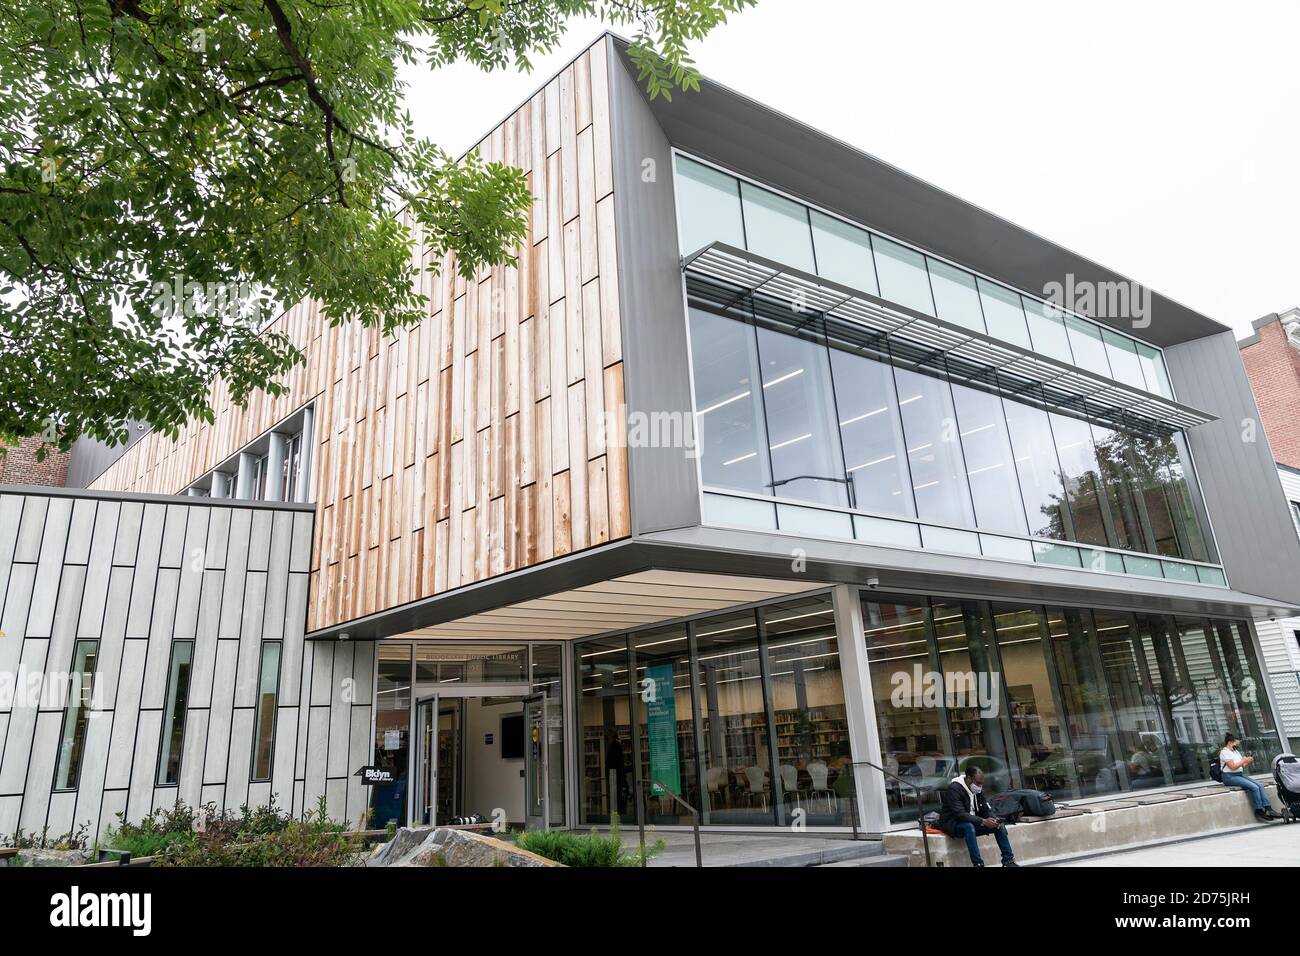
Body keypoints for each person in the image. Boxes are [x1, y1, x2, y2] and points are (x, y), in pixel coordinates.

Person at [937, 765, 1018, 867]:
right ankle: (978, 864)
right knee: (969, 827)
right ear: (969, 778)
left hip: (974, 821)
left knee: (999, 826)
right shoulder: (955, 789)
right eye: (978, 783)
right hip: (953, 824)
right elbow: (960, 814)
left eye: (981, 784)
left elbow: (985, 809)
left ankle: (1008, 861)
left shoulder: (977, 790)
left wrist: (993, 819)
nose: (980, 786)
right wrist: (983, 821)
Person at [1219, 733, 1280, 820]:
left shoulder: (1235, 751)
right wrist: (1243, 760)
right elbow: (1232, 767)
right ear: (1230, 742)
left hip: (1239, 775)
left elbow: (1242, 766)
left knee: (1260, 785)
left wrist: (1247, 761)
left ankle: (1268, 808)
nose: (1238, 744)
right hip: (1229, 777)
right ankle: (1259, 810)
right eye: (1236, 743)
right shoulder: (1224, 752)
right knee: (1254, 787)